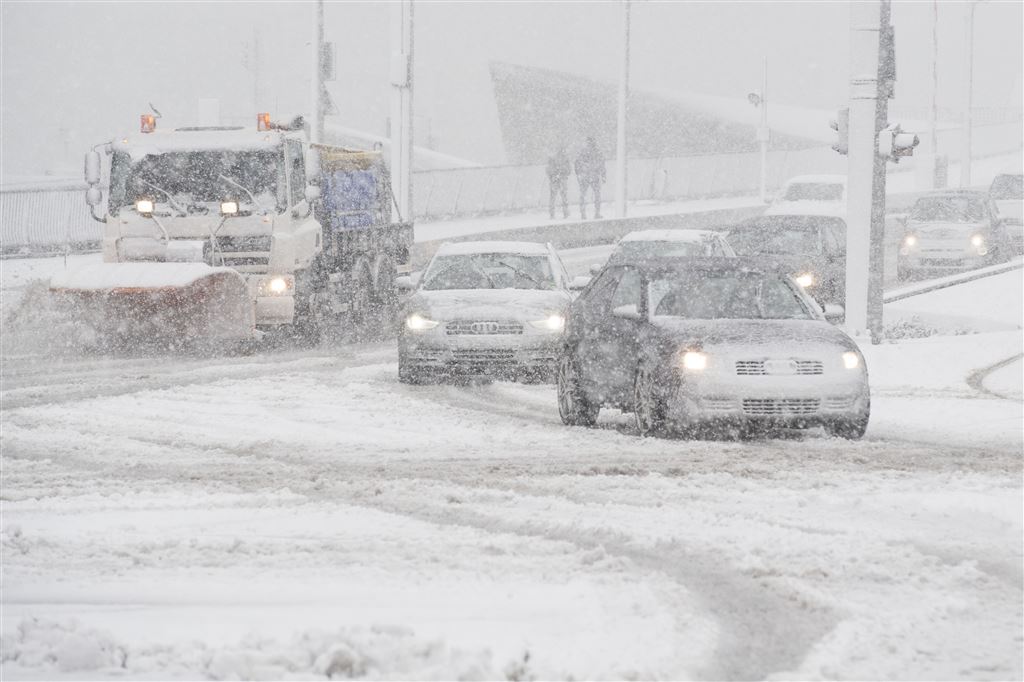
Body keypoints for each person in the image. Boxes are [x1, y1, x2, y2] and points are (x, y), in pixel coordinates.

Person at [575, 136, 606, 219]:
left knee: (583, 195)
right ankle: (596, 213)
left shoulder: (582, 151)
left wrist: (579, 174)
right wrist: (603, 175)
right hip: (594, 175)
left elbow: (577, 163)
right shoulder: (597, 151)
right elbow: (602, 164)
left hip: (585, 176)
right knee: (596, 195)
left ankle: (583, 213)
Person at [546, 146, 571, 219]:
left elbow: (548, 169)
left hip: (554, 179)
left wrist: (552, 176)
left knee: (553, 197)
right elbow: (569, 170)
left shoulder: (552, 158)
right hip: (562, 179)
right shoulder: (565, 159)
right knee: (564, 196)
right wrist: (563, 172)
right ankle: (565, 213)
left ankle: (552, 214)